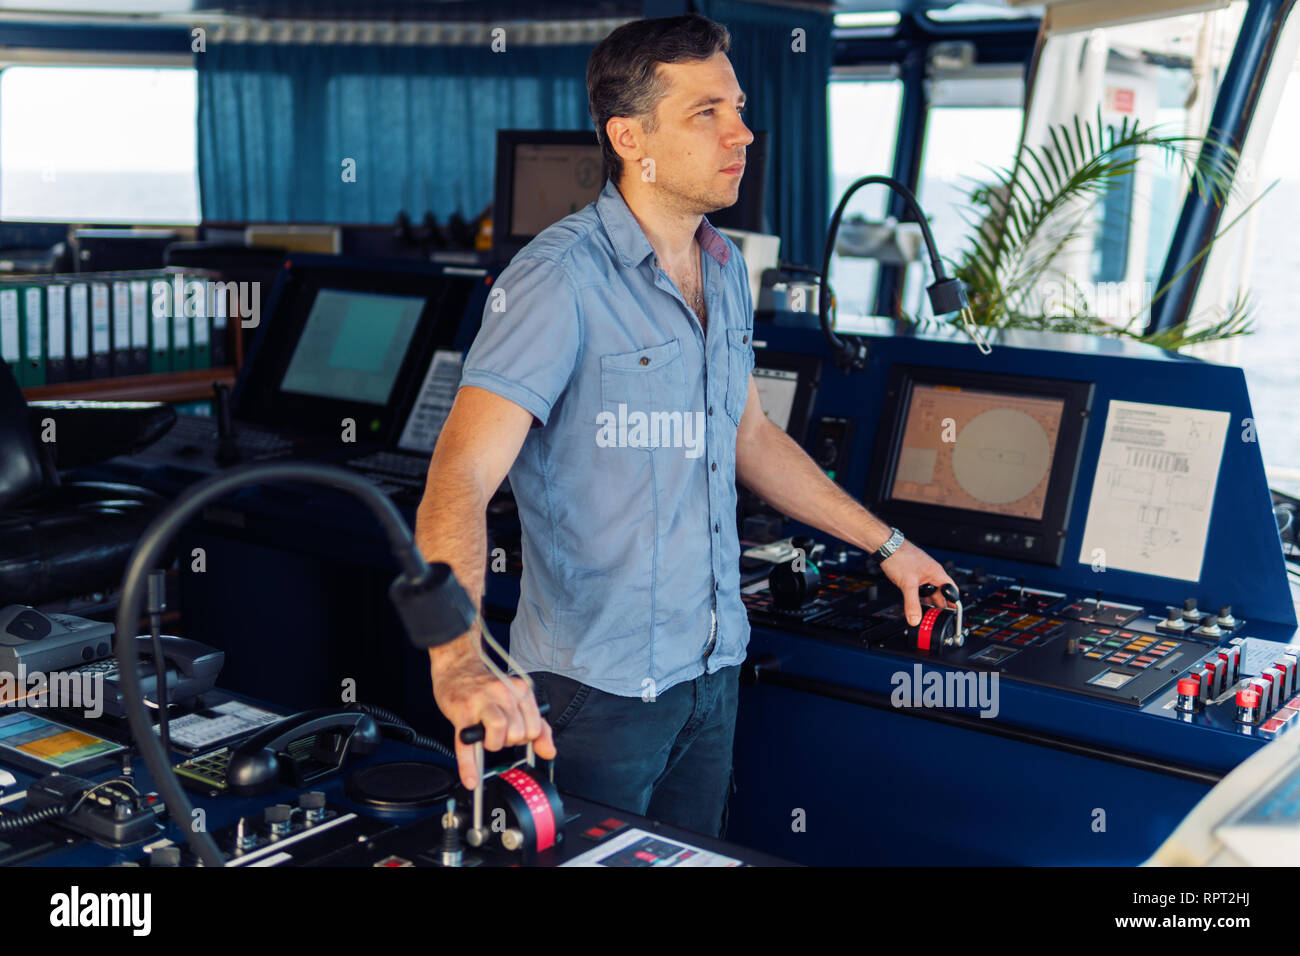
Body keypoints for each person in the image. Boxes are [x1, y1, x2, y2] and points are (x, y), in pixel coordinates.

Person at [414, 13, 956, 837]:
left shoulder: (726, 268)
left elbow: (751, 440)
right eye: (707, 112)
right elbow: (459, 477)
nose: (742, 132)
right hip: (592, 692)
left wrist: (891, 548)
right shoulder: (557, 280)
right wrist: (459, 662)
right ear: (630, 136)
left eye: (738, 107)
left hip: (712, 675)